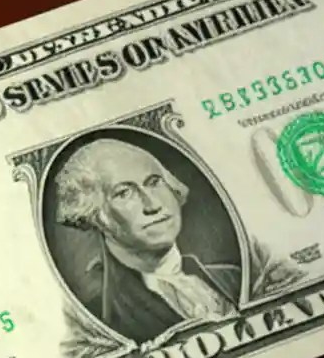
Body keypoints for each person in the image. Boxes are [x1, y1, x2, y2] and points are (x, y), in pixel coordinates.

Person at [53, 137, 240, 342]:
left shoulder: (232, 277)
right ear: (95, 216)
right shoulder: (100, 323)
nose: (153, 205)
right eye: (124, 193)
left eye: (154, 182)